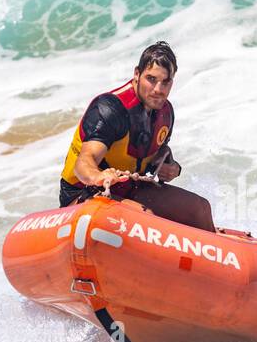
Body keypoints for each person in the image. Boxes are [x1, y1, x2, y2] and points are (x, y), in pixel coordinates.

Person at [59, 41, 214, 231]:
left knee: (200, 209)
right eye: (151, 79)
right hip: (85, 193)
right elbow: (83, 163)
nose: (158, 89)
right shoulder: (110, 109)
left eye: (165, 82)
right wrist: (99, 176)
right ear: (137, 74)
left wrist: (171, 168)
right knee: (145, 220)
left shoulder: (166, 113)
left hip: (131, 190)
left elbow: (155, 155)